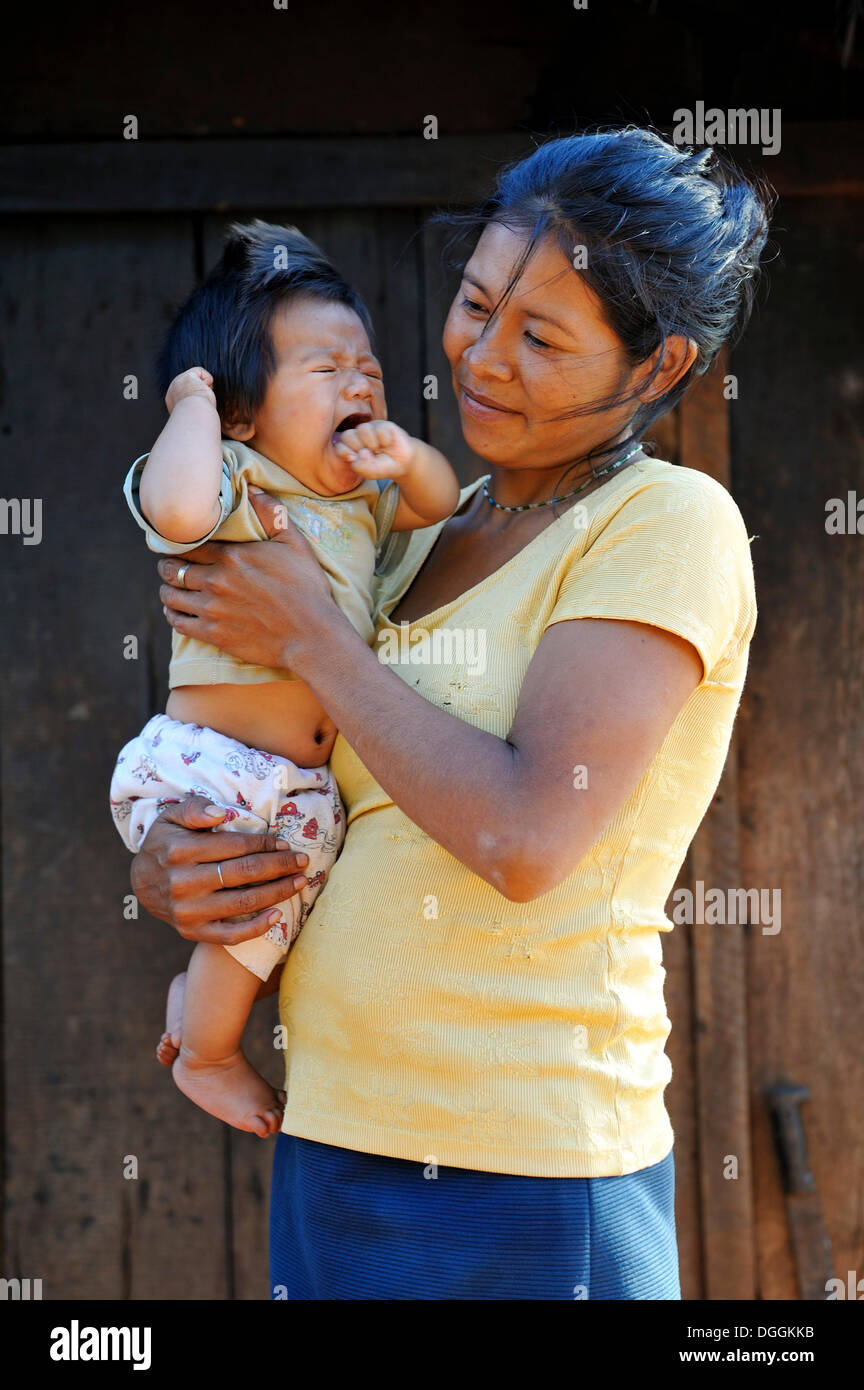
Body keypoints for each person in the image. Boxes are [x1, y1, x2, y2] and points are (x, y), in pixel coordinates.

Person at [128, 126, 772, 1300]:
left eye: (540, 336)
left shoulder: (665, 524)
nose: (481, 357)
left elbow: (526, 836)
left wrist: (313, 642)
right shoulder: (409, 527)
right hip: (336, 1137)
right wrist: (183, 863)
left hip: (519, 1171)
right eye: (474, 304)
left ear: (660, 364)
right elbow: (320, 783)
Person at [109, 220, 460, 1137]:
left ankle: (202, 1007)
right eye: (326, 368)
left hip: (289, 785)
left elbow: (440, 503)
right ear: (242, 411)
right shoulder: (232, 475)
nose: (360, 382)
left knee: (270, 903)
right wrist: (188, 407)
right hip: (214, 765)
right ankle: (211, 1052)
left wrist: (409, 457)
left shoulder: (358, 499)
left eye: (369, 367)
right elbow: (174, 507)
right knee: (260, 893)